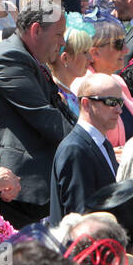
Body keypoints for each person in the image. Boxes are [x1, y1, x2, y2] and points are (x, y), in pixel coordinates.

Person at [0, 0, 71, 226]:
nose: (62, 42)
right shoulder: (9, 59)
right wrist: (88, 144)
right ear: (36, 30)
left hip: (27, 184)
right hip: (10, 187)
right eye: (58, 34)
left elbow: (60, 110)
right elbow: (45, 116)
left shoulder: (27, 56)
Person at [49, 74, 123, 224]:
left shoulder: (102, 143)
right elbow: (79, 217)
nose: (119, 110)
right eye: (111, 102)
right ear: (86, 103)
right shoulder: (75, 149)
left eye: (120, 102)